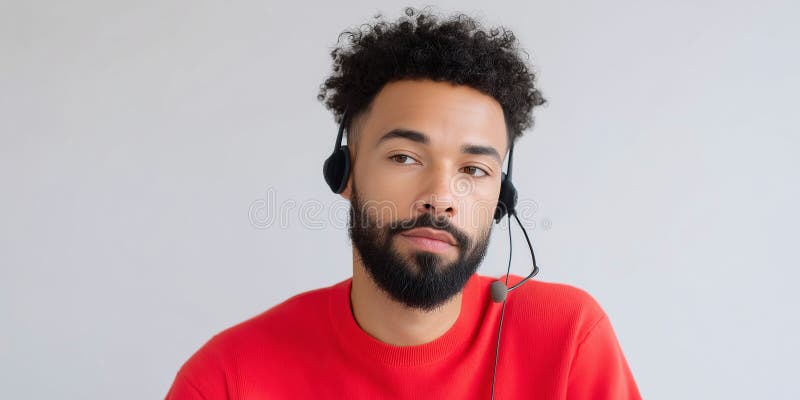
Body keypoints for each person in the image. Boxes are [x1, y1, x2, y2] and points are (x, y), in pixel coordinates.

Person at [165, 7, 641, 399]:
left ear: (503, 197)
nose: (440, 197)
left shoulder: (568, 339)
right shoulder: (226, 380)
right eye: (406, 157)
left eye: (474, 170)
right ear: (345, 173)